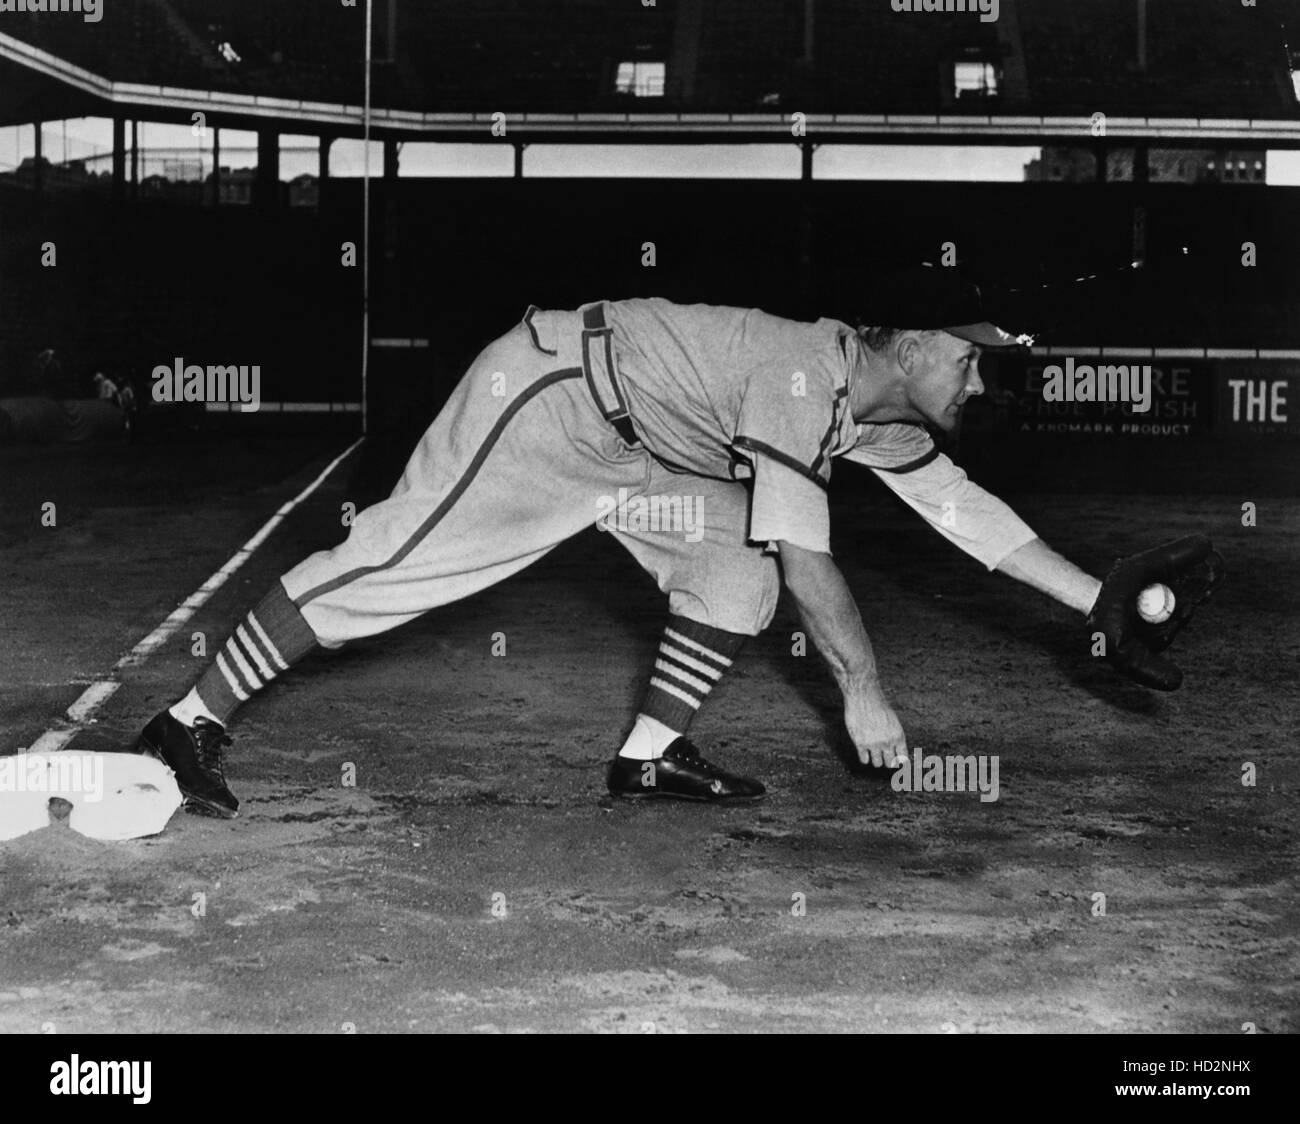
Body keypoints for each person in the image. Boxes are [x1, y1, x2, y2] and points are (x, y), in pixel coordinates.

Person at [133, 267, 1217, 818]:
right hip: (551, 394)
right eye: (973, 361)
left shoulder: (881, 414)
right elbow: (813, 556)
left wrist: (1092, 599)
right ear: (920, 341)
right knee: (393, 565)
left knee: (729, 565)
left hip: (638, 454)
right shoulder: (802, 372)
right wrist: (864, 688)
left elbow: (960, 510)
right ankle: (183, 726)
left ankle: (645, 758)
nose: (981, 382)